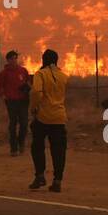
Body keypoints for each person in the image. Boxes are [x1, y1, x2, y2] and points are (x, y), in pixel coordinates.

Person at [27, 49, 68, 192]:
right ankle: (57, 180)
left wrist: (33, 108)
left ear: (43, 60)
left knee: (37, 147)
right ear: (56, 61)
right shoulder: (63, 76)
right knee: (59, 150)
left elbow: (36, 92)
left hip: (43, 117)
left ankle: (40, 175)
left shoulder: (40, 74)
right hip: (59, 117)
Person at [0, 49, 30, 155]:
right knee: (13, 124)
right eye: (12, 59)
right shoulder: (4, 73)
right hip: (11, 102)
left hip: (23, 101)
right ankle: (13, 148)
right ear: (8, 60)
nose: (14, 60)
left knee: (24, 124)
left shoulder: (23, 70)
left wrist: (27, 88)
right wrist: (2, 96)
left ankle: (21, 143)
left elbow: (28, 82)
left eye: (15, 58)